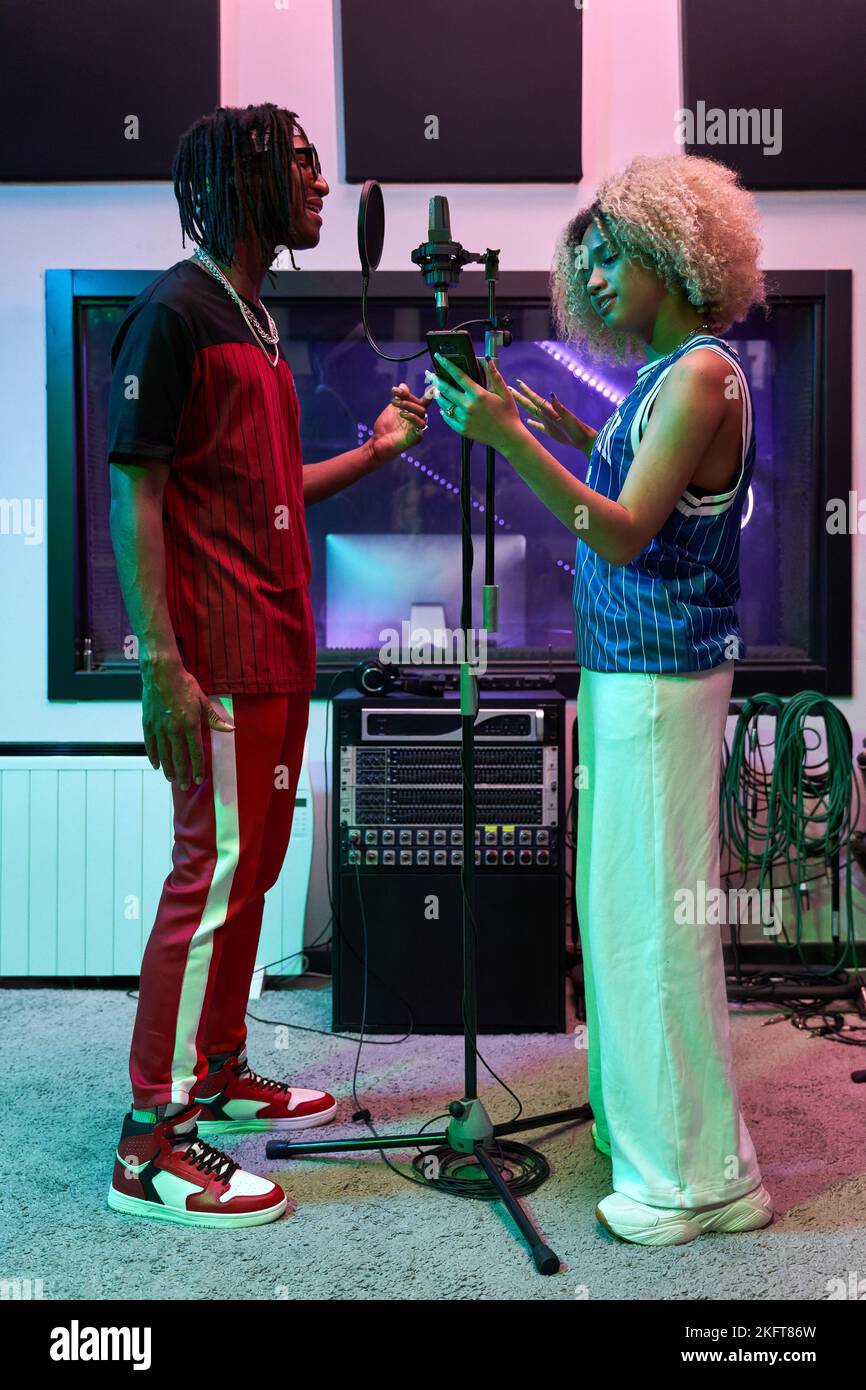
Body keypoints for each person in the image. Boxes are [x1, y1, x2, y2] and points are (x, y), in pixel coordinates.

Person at [427, 152, 773, 1247]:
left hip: (662, 681)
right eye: (590, 263)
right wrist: (564, 432)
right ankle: (663, 1150)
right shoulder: (670, 371)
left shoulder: (703, 376)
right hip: (635, 678)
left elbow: (621, 534)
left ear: (672, 251)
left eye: (609, 255)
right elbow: (637, 500)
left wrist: (510, 440)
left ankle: (697, 1186)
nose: (597, 279)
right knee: (621, 924)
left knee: (655, 931)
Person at [105, 103, 428, 1228]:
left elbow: (272, 485)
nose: (321, 183)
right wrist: (160, 665)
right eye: (300, 161)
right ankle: (153, 1139)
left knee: (250, 876)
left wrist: (377, 453)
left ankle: (222, 1064)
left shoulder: (254, 315)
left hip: (280, 647)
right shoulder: (172, 313)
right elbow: (132, 494)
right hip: (216, 656)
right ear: (241, 173)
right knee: (209, 881)